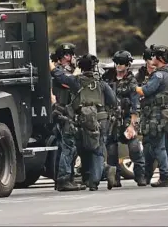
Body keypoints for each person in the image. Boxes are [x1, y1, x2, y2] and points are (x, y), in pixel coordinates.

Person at [50, 54, 117, 191]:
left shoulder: (75, 81)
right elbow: (113, 101)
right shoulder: (101, 84)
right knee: (97, 150)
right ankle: (94, 181)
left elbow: (58, 76)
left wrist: (49, 63)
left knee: (77, 148)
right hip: (100, 121)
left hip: (80, 121)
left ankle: (70, 178)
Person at [106, 50, 146, 187]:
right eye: (117, 62)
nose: (119, 65)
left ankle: (140, 176)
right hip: (112, 119)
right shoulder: (108, 78)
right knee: (111, 150)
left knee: (134, 148)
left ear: (127, 64)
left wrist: (132, 125)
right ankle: (114, 178)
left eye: (122, 63)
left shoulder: (131, 81)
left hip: (127, 118)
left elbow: (135, 104)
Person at [50, 43, 86, 191]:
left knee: (63, 146)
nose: (72, 57)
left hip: (66, 112)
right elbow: (70, 81)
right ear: (65, 56)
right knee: (68, 146)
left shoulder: (64, 71)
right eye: (70, 54)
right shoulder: (59, 72)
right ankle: (64, 178)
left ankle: (62, 179)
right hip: (63, 113)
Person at [135, 45, 168, 187]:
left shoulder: (158, 75)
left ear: (161, 58)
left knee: (159, 146)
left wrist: (133, 87)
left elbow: (145, 90)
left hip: (157, 115)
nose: (153, 59)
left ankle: (165, 176)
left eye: (155, 56)